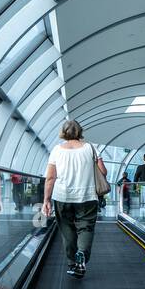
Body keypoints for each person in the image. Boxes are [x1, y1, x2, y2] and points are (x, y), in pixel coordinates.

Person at [41, 119, 107, 279]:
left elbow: (50, 177)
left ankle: (72, 263)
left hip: (62, 197)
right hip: (87, 196)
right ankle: (82, 253)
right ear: (80, 132)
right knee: (86, 228)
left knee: (67, 229)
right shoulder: (91, 148)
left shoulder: (57, 150)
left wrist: (46, 200)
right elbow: (103, 172)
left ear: (63, 132)